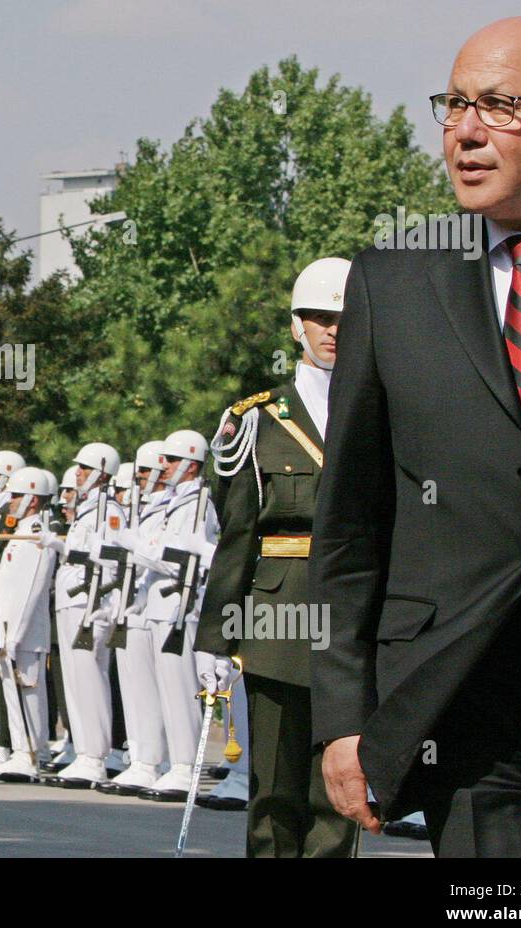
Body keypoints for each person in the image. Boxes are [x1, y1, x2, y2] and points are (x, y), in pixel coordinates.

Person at [312, 17, 521, 858]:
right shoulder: (393, 282)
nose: (465, 130)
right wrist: (342, 719)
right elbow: (349, 524)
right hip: (470, 710)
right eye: (453, 105)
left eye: (499, 105)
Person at [197, 257, 359, 857]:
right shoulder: (257, 420)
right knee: (274, 795)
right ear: (296, 327)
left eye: (343, 318)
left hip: (352, 622)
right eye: (318, 318)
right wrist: (215, 638)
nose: (332, 330)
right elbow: (237, 537)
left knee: (339, 794)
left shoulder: (381, 410)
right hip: (276, 622)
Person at [128, 430, 217, 802]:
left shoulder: (199, 503)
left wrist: (140, 547)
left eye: (170, 460)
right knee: (162, 690)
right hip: (157, 606)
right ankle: (160, 763)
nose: (161, 466)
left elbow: (183, 557)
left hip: (180, 606)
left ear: (192, 465)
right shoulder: (168, 502)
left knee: (181, 691)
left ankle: (186, 767)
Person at [38, 442, 123, 788]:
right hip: (74, 599)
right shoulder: (89, 508)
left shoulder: (108, 508)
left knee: (90, 678)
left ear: (103, 473)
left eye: (85, 469)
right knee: (75, 679)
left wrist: (66, 547)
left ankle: (95, 755)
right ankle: (85, 751)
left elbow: (115, 554)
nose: (79, 474)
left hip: (91, 601)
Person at [97, 441, 169, 796]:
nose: (139, 479)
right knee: (135, 689)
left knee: (164, 691)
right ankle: (143, 758)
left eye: (143, 471)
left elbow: (170, 557)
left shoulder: (176, 507)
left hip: (162, 607)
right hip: (136, 605)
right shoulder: (145, 508)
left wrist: (130, 542)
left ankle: (163, 760)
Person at [0, 467, 58, 782]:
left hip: (23, 635)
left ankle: (30, 755)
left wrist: (14, 636)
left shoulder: (35, 534)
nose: (11, 501)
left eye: (17, 495)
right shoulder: (22, 532)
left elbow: (32, 588)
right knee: (15, 696)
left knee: (26, 695)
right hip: (11, 631)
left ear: (33, 500)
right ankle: (23, 752)